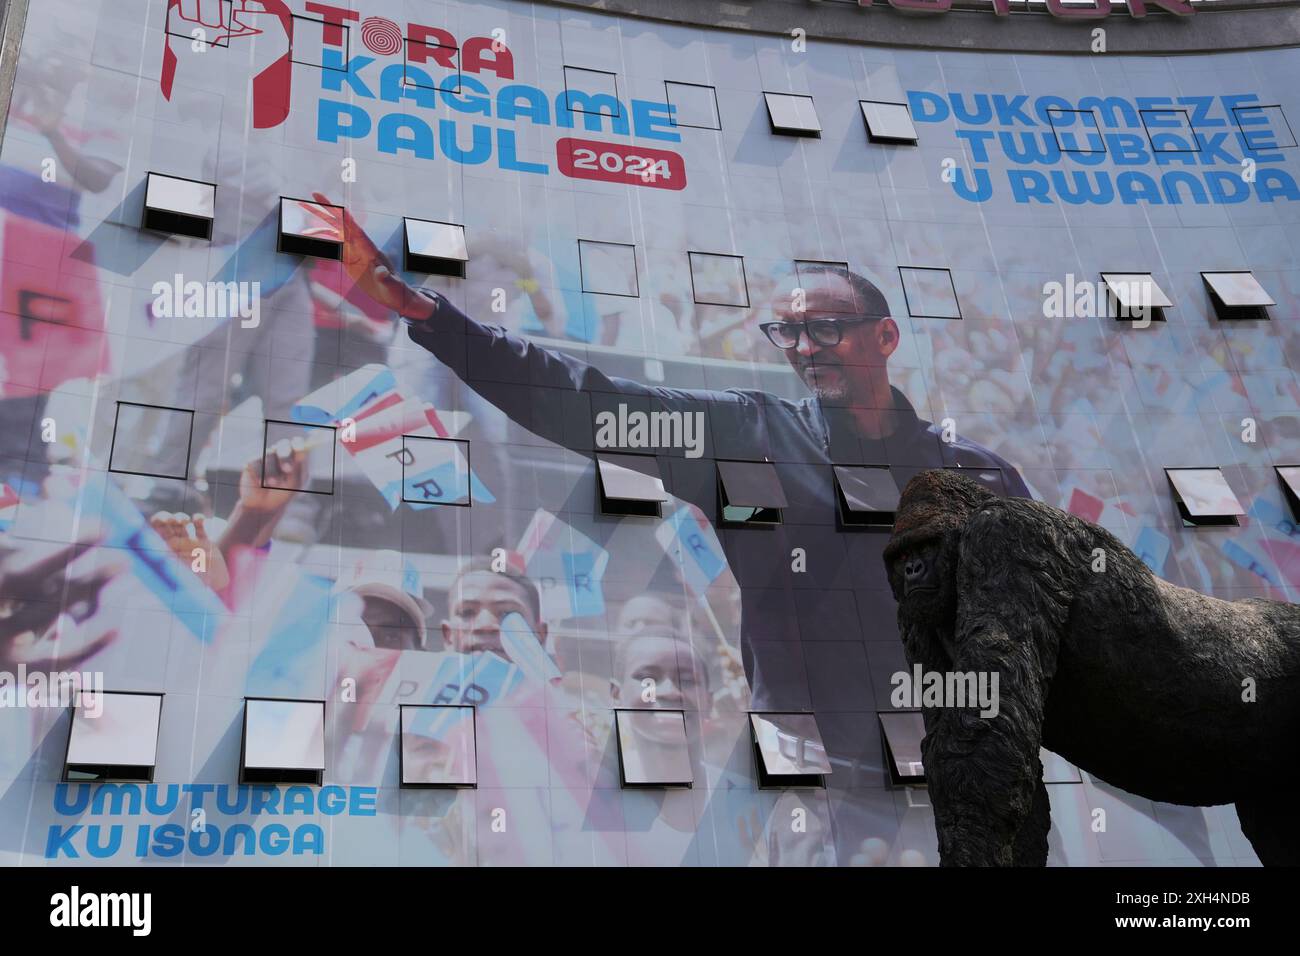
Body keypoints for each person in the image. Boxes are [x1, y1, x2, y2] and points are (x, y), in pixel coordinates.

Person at [308, 193, 1029, 715]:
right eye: (788, 334)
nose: (805, 349)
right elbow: (585, 403)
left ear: (886, 337)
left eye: (827, 329)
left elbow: (1032, 620)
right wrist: (432, 318)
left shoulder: (980, 477)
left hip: (962, 759)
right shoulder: (750, 434)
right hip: (819, 773)